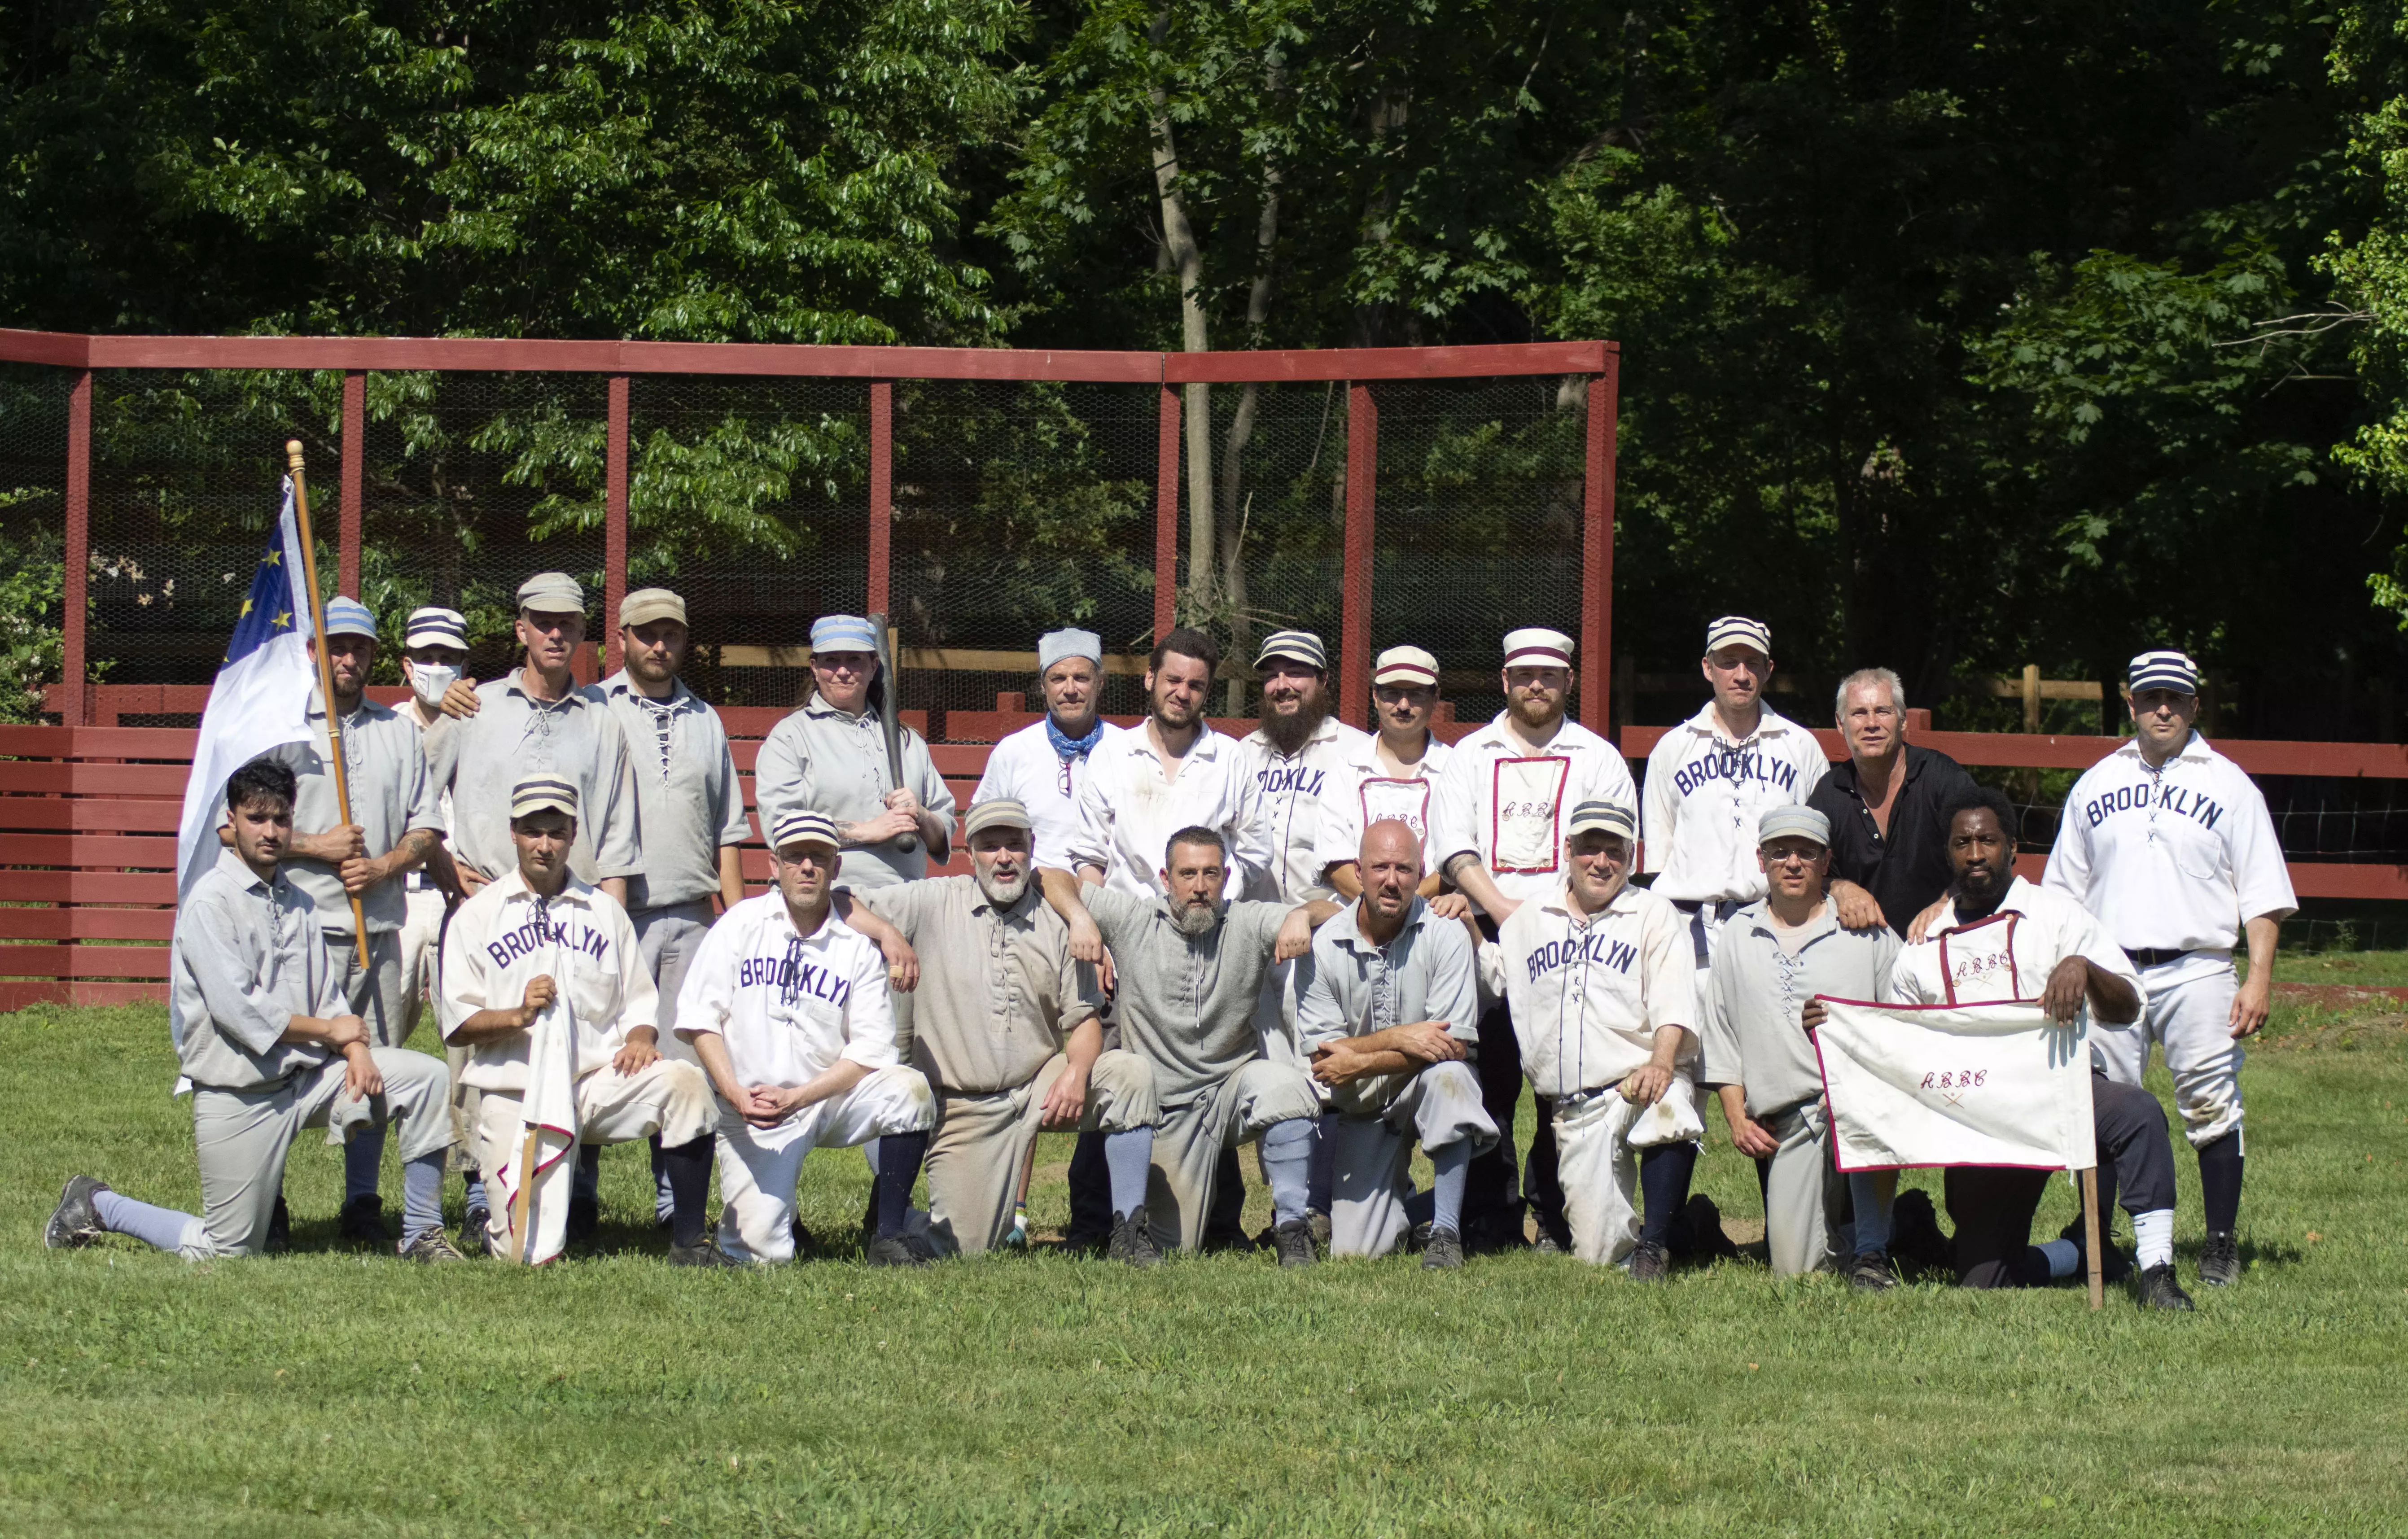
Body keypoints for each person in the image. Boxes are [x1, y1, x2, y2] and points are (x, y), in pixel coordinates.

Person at [47, 758, 459, 1261]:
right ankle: (98, 1204)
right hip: (237, 1094)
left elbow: (327, 997)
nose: (270, 831)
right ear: (231, 822)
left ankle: (421, 1233)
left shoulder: (302, 903)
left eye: (280, 819)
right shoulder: (208, 902)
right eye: (256, 818)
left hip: (307, 1082)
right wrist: (334, 1029)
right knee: (226, 1249)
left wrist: (355, 1049)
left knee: (428, 1077)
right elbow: (241, 1014)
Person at [1878, 787, 2193, 1309]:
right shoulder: (1922, 944)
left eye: (1987, 840)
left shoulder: (2056, 917)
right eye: (1962, 843)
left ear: (2012, 849)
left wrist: (2085, 970)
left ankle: (2156, 1270)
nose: (1975, 853)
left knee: (2137, 1112)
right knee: (1983, 1282)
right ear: (1947, 853)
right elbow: (1896, 1040)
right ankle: (2075, 1251)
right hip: (1980, 1117)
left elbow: (2129, 1006)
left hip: (2062, 1087)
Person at [2043, 649, 2296, 1288]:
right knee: (2102, 1101)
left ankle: (2218, 1243)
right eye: (2151, 696)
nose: (2163, 708)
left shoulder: (2229, 784)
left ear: (2194, 705)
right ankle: (2095, 1239)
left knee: (2211, 1097)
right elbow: (2061, 894)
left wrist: (2259, 975)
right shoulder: (2095, 783)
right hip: (2110, 969)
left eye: (2175, 698)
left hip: (2198, 964)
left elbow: (2262, 893)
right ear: (2129, 702)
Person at [845, 800, 1160, 1261]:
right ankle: (904, 1217)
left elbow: (1085, 1020)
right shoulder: (930, 900)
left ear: (1031, 848)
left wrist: (1076, 1072)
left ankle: (1129, 1230)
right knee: (965, 1247)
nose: (1004, 856)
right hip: (964, 1106)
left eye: (1014, 844)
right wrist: (888, 934)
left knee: (1129, 1074)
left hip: (1039, 1084)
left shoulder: (1060, 920)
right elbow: (840, 901)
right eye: (989, 846)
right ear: (969, 853)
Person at [438, 776, 728, 1266]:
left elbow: (639, 1002)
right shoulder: (478, 915)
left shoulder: (604, 911)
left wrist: (640, 1036)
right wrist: (518, 1015)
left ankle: (689, 1240)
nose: (545, 845)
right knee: (520, 1253)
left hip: (595, 1083)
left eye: (556, 832)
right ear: (513, 833)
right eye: (533, 831)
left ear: (574, 833)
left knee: (685, 1081)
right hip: (516, 1089)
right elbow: (458, 1022)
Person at [238, 595, 454, 1246]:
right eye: (337, 646)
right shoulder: (282, 730)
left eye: (359, 648)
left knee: (377, 1068)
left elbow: (426, 827)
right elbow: (237, 828)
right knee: (286, 1069)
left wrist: (386, 864)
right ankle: (267, 1200)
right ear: (315, 651)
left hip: (377, 931)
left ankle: (362, 1201)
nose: (348, 658)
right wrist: (315, 846)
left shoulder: (397, 732)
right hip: (298, 932)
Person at [1061, 626, 1274, 1249]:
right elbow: (1085, 857)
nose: (1182, 693)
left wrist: (1218, 916)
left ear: (1208, 692)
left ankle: (1219, 1222)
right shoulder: (1111, 755)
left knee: (1214, 1071)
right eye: (1172, 680)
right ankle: (1094, 1222)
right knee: (1121, 1073)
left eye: (1196, 685)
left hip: (1208, 939)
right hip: (1131, 938)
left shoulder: (1229, 758)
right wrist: (1097, 934)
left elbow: (1254, 849)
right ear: (1149, 679)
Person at [1432, 626, 1637, 1252]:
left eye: (1549, 676)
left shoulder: (1597, 756)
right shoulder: (1469, 754)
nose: (1536, 686)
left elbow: (1617, 849)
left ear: (1568, 681)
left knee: (1562, 1078)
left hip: (1572, 929)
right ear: (1504, 681)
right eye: (1524, 676)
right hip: (1486, 925)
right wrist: (1503, 910)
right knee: (1487, 1075)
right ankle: (1491, 1216)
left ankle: (1556, 1213)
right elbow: (1453, 848)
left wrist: (1551, 915)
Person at [1048, 826, 1336, 1262]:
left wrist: (1300, 916)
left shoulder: (1247, 920)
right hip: (1161, 1109)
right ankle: (1133, 1230)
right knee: (1176, 1248)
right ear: (1166, 879)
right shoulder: (1133, 920)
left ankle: (1292, 1229)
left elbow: (1331, 910)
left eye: (1210, 874)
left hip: (1227, 1096)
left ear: (1225, 876)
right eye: (1187, 874)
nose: (1199, 887)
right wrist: (1081, 916)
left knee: (1285, 1085)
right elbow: (1050, 876)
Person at [674, 810, 941, 1267]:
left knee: (909, 1089)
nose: (806, 867)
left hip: (824, 1096)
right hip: (753, 1106)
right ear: (774, 866)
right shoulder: (739, 925)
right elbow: (701, 1021)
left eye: (818, 857)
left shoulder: (855, 947)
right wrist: (736, 1094)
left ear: (836, 868)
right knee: (761, 1254)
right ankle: (783, 1214)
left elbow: (872, 1050)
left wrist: (800, 1097)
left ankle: (888, 1235)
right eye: (794, 856)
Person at [1480, 800, 1700, 1277]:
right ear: (1567, 851)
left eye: (1614, 852)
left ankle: (1656, 1245)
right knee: (1599, 1256)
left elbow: (1673, 999)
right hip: (1575, 1109)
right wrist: (1459, 920)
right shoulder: (1530, 918)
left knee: (1672, 1103)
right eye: (1589, 849)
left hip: (1636, 1081)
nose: (1601, 862)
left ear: (1631, 858)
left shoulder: (1653, 914)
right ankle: (1685, 1224)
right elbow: (1494, 976)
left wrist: (1662, 1063)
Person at [597, 587, 753, 1230]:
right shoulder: (594, 709)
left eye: (670, 635)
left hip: (691, 915)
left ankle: (673, 1203)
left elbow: (727, 830)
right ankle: (579, 1197)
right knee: (598, 1054)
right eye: (645, 634)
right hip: (612, 912)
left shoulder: (704, 718)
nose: (658, 646)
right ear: (621, 638)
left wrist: (739, 925)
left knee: (684, 1065)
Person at [1698, 807, 1901, 1287]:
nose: (1792, 862)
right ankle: (1900, 1226)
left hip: (1856, 1103)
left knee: (1854, 1110)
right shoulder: (1737, 934)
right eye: (1779, 852)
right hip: (1786, 1120)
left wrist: (1848, 1025)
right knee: (1795, 1271)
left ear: (1826, 860)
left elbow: (1905, 1017)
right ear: (1761, 858)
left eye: (1806, 852)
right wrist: (1735, 1116)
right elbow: (1721, 1032)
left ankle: (1872, 1251)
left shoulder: (1863, 929)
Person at [1297, 821, 1497, 1268]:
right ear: (1358, 871)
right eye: (1380, 867)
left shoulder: (1445, 933)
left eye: (1404, 869)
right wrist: (1402, 1037)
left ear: (1420, 872)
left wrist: (1360, 1058)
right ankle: (1416, 1213)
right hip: (1364, 1105)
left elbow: (1453, 1045)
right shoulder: (1323, 946)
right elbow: (1326, 1063)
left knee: (1451, 1078)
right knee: (1358, 1250)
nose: (1392, 880)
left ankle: (1445, 1232)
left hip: (1422, 1083)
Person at [1641, 616, 1829, 973]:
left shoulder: (1801, 747)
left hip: (1778, 928)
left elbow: (1820, 846)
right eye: (1728, 662)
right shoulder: (1673, 748)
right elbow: (1659, 859)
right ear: (1707, 668)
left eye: (1752, 663)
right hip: (1689, 933)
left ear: (1769, 669)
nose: (1741, 675)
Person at [439, 573, 641, 905]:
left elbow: (617, 843)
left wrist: (612, 925)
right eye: (544, 623)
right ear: (522, 631)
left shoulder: (604, 724)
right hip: (485, 902)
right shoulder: (474, 707)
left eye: (566, 623)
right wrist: (442, 864)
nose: (556, 635)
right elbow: (414, 799)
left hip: (576, 908)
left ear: (582, 631)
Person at [753, 612, 954, 892]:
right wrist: (867, 831)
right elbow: (781, 827)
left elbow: (942, 835)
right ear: (815, 666)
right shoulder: (791, 737)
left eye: (855, 660)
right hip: (825, 900)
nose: (843, 671)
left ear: (874, 666)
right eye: (832, 660)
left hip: (906, 896)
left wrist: (919, 814)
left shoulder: (907, 741)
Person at [1806, 667, 1980, 935]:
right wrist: (1840, 888)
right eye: (1859, 713)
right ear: (1840, 724)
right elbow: (1804, 868)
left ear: (1903, 720)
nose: (1872, 723)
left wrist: (1949, 902)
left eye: (1883, 711)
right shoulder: (1829, 793)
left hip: (1943, 939)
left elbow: (1984, 852)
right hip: (1861, 946)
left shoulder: (1942, 779)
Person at [970, 627, 1123, 872]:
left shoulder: (1125, 750)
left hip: (1109, 894)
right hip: (1032, 896)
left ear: (1100, 683)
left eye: (1081, 678)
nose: (1070, 689)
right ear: (1043, 685)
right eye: (1058, 679)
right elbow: (983, 827)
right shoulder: (1014, 752)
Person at [1318, 645, 1454, 899]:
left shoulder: (1456, 769)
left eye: (1416, 694)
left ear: (1436, 698)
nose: (1403, 705)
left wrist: (1408, 907)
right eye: (1392, 693)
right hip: (1357, 919)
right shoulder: (1347, 770)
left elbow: (1460, 859)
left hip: (1436, 919)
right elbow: (1334, 861)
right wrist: (1378, 910)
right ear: (1375, 696)